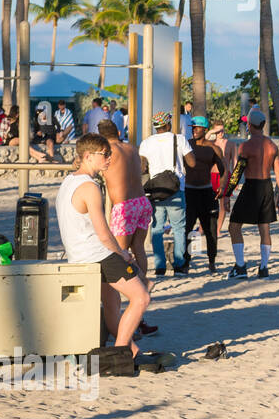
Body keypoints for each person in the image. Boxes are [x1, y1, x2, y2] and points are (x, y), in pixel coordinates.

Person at [55, 133, 151, 359]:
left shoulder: (68, 181)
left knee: (112, 302)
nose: (109, 159)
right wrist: (123, 254)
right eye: (105, 155)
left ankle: (132, 351)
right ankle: (118, 353)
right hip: (97, 254)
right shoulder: (89, 187)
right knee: (141, 297)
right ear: (88, 156)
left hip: (78, 254)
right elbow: (104, 234)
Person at [225, 108, 279, 279]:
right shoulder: (272, 146)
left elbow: (237, 172)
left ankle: (240, 266)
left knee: (234, 226)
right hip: (266, 186)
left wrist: (227, 193)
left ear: (250, 125)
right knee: (264, 228)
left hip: (251, 187)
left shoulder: (246, 146)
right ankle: (264, 268)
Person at [139, 112, 196, 276]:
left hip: (156, 189)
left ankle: (160, 266)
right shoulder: (179, 139)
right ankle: (178, 265)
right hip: (176, 188)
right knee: (179, 228)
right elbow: (192, 162)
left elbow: (142, 168)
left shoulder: (146, 143)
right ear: (168, 124)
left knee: (156, 228)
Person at [99, 119, 153, 286]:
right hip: (142, 202)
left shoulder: (106, 152)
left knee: (119, 252)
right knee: (139, 248)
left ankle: (141, 283)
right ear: (118, 133)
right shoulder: (131, 149)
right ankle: (142, 286)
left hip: (124, 207)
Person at [184, 116, 226, 274]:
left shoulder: (213, 148)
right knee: (188, 228)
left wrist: (222, 185)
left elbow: (224, 169)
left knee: (210, 229)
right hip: (189, 191)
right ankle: (186, 262)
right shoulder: (187, 145)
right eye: (192, 127)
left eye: (197, 127)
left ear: (205, 129)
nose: (194, 130)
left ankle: (212, 261)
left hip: (207, 192)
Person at [208, 121, 235, 235]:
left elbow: (235, 162)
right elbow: (201, 141)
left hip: (225, 175)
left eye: (222, 130)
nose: (220, 133)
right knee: (209, 204)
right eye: (218, 131)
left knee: (223, 205)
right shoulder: (210, 143)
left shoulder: (230, 144)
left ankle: (218, 230)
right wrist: (211, 132)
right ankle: (209, 227)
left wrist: (234, 181)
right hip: (212, 176)